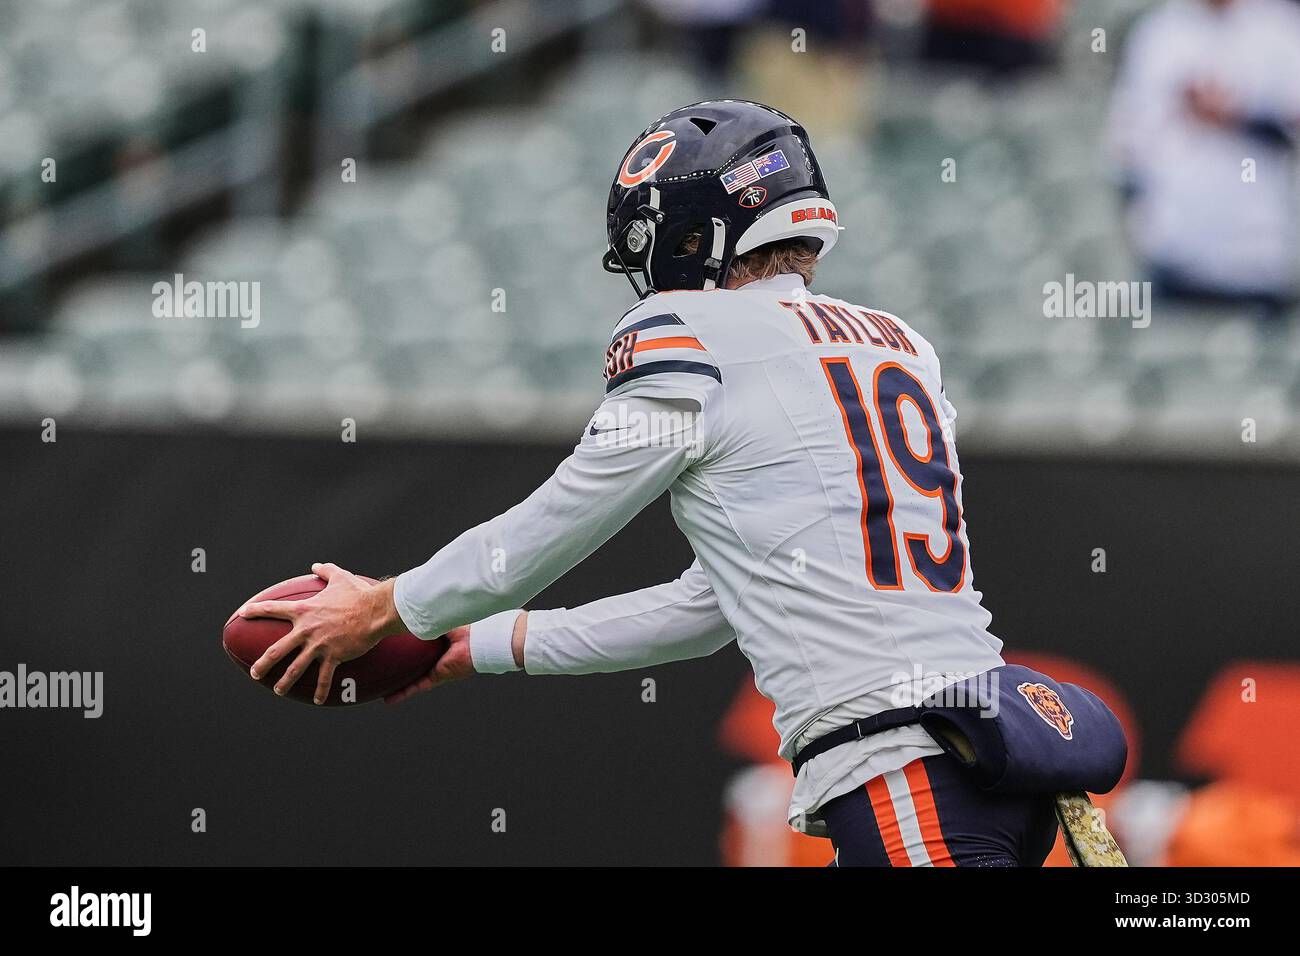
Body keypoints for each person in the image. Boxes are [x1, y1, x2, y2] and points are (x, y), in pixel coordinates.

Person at [238, 100, 1059, 866]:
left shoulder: (690, 331)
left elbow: (557, 521)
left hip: (898, 762)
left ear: (699, 231)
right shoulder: (898, 342)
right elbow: (708, 608)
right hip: (993, 755)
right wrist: (479, 644)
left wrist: (386, 605)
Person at [1107, 0, 1300, 318]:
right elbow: (1129, 140)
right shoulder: (1159, 31)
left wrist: (1240, 116)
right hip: (1176, 252)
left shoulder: (1281, 27)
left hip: (1260, 256)